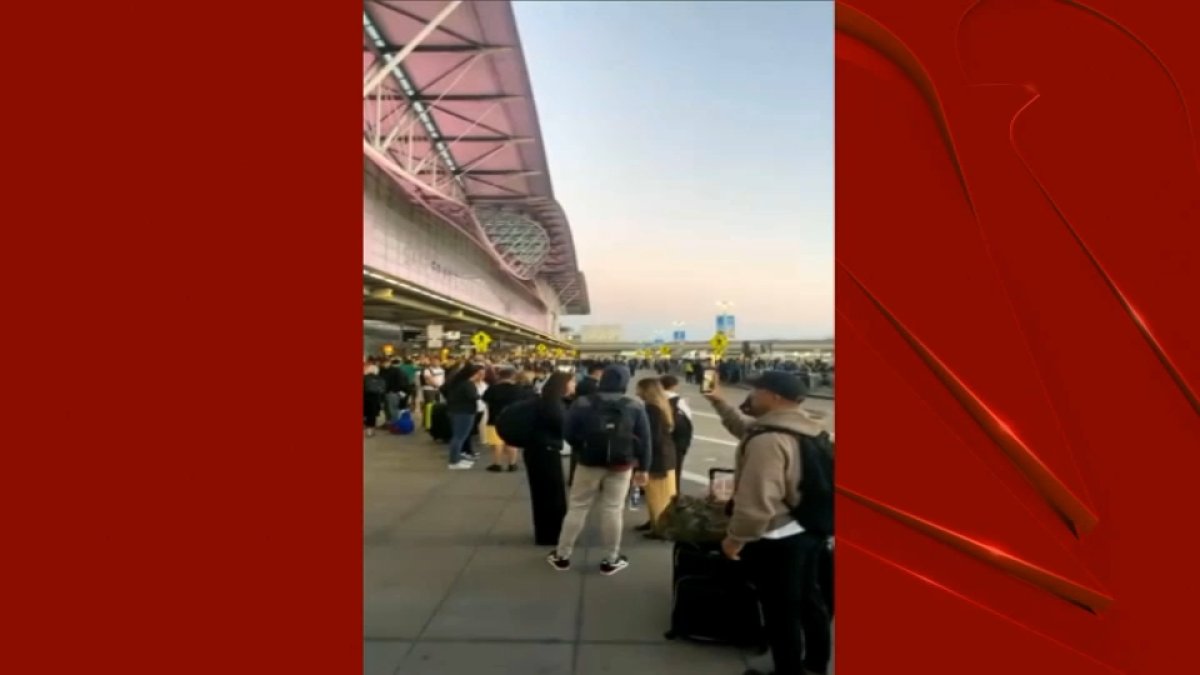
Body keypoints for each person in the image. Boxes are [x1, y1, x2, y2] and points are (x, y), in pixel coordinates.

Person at [704, 371, 831, 675]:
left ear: (774, 396)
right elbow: (745, 429)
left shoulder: (770, 439)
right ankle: (815, 663)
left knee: (781, 609)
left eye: (757, 391)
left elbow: (757, 501)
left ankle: (787, 670)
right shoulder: (805, 428)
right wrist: (719, 402)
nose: (751, 396)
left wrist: (736, 538)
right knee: (811, 600)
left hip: (779, 536)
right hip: (809, 527)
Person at [548, 365, 651, 576]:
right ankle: (611, 559)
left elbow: (567, 432)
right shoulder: (634, 405)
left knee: (577, 507)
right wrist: (644, 467)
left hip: (588, 462)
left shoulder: (583, 402)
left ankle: (562, 555)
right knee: (613, 509)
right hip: (621, 465)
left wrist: (582, 447)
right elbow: (645, 440)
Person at [523, 371, 575, 545]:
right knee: (551, 494)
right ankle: (551, 534)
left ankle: (547, 533)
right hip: (545, 451)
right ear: (563, 385)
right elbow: (564, 426)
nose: (574, 386)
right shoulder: (553, 405)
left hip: (537, 450)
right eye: (572, 383)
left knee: (543, 494)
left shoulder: (545, 400)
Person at [633, 378, 677, 537]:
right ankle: (654, 521)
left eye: (638, 388)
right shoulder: (662, 406)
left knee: (657, 495)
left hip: (658, 457)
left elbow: (651, 437)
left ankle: (660, 527)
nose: (636, 391)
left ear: (646, 390)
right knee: (658, 493)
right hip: (665, 454)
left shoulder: (651, 409)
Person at [482, 367, 528, 472]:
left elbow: (485, 400)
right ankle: (512, 464)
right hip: (513, 419)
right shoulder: (519, 389)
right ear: (513, 376)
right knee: (511, 442)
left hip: (495, 418)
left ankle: (497, 464)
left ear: (499, 376)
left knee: (497, 443)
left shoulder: (492, 388)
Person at [442, 364, 484, 470]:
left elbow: (443, 389)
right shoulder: (468, 384)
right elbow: (473, 396)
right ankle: (454, 461)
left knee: (458, 436)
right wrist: (482, 396)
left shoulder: (455, 382)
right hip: (465, 412)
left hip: (454, 410)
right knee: (459, 437)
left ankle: (457, 458)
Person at [660, 374, 695, 493]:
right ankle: (673, 490)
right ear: (674, 386)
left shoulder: (654, 399)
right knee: (676, 465)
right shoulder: (678, 401)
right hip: (677, 439)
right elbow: (689, 418)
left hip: (660, 439)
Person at [381, 358, 409, 424]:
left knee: (393, 409)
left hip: (393, 393)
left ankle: (395, 424)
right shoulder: (383, 371)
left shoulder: (396, 371)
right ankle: (388, 423)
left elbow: (401, 382)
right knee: (387, 409)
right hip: (385, 392)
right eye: (383, 363)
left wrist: (396, 390)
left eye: (386, 362)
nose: (384, 364)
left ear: (389, 362)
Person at [363, 364, 387, 438]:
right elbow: (383, 389)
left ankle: (366, 426)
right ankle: (370, 430)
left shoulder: (364, 378)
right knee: (372, 415)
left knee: (366, 414)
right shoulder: (380, 378)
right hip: (375, 399)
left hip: (365, 398)